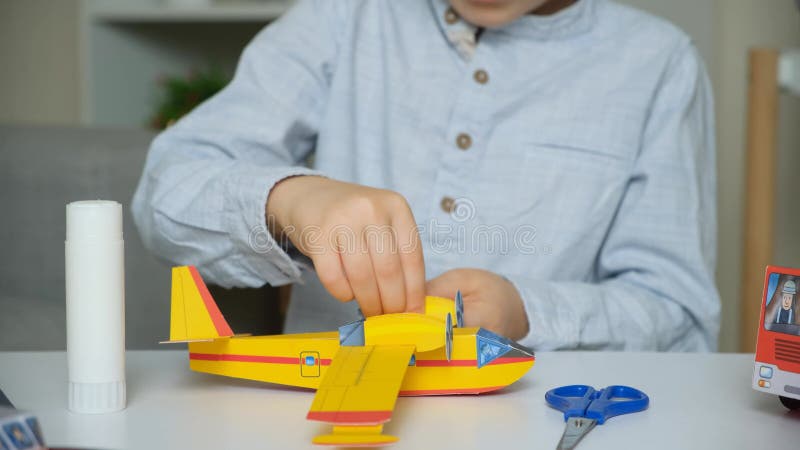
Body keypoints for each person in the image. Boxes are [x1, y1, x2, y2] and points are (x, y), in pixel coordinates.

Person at [132, 0, 720, 351]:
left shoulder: (659, 63)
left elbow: (679, 314)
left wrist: (530, 312)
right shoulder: (344, 17)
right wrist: (286, 200)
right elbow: (164, 192)